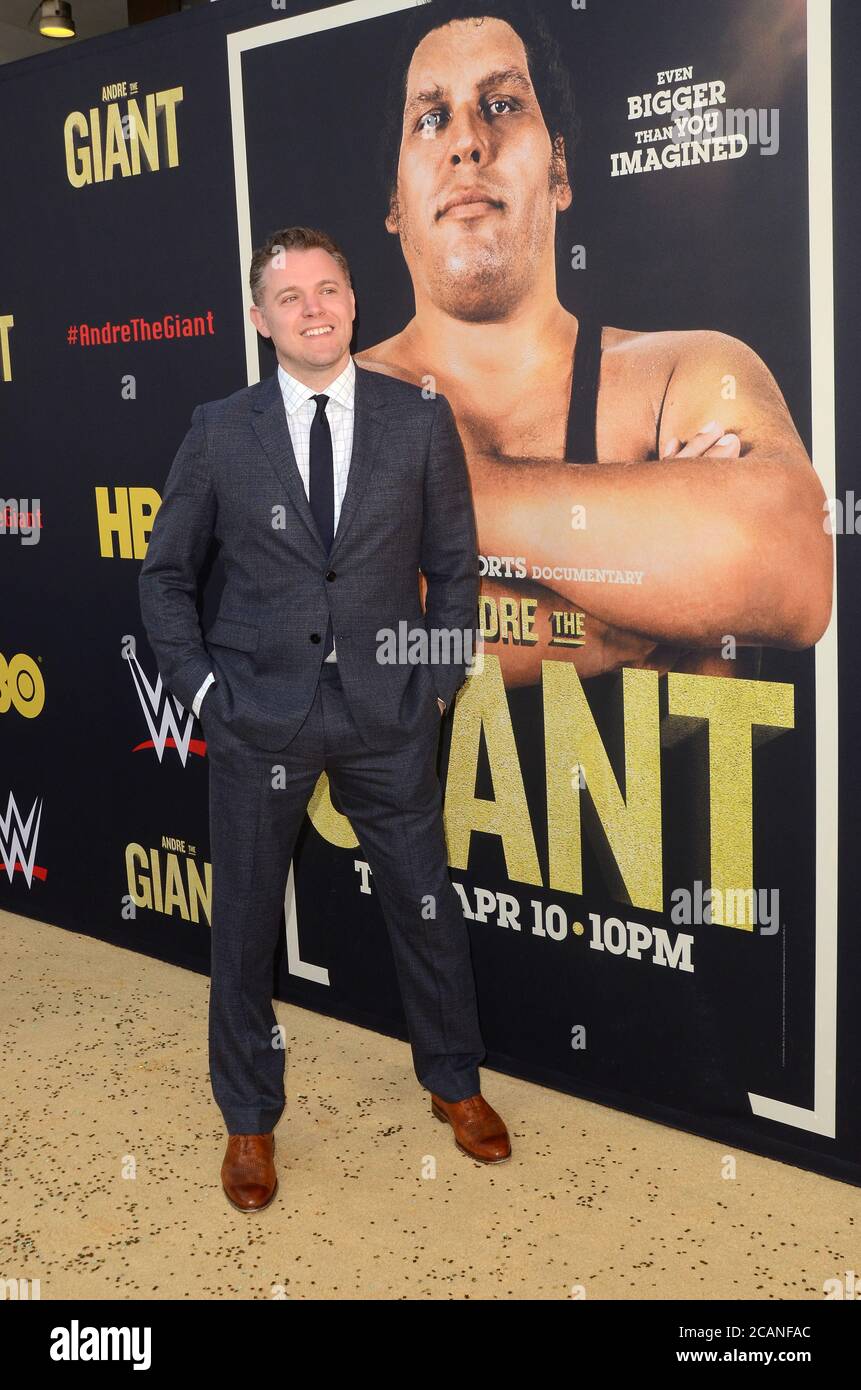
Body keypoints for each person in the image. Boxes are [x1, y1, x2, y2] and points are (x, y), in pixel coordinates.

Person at [138, 225, 510, 1213]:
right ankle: (251, 1119)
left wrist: (434, 684)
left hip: (390, 712)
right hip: (260, 717)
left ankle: (455, 1083)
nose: (314, 306)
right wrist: (206, 692)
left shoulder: (417, 419)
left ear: (354, 300)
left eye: (330, 288)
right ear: (261, 318)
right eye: (291, 294)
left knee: (426, 906)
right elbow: (166, 575)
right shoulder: (222, 428)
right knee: (247, 927)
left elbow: (456, 567)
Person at [357, 0, 832, 686]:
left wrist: (432, 491)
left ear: (558, 170)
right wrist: (625, 613)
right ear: (396, 203)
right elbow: (344, 631)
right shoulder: (323, 399)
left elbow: (788, 566)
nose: (465, 141)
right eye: (430, 118)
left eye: (499, 104)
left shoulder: (682, 372)